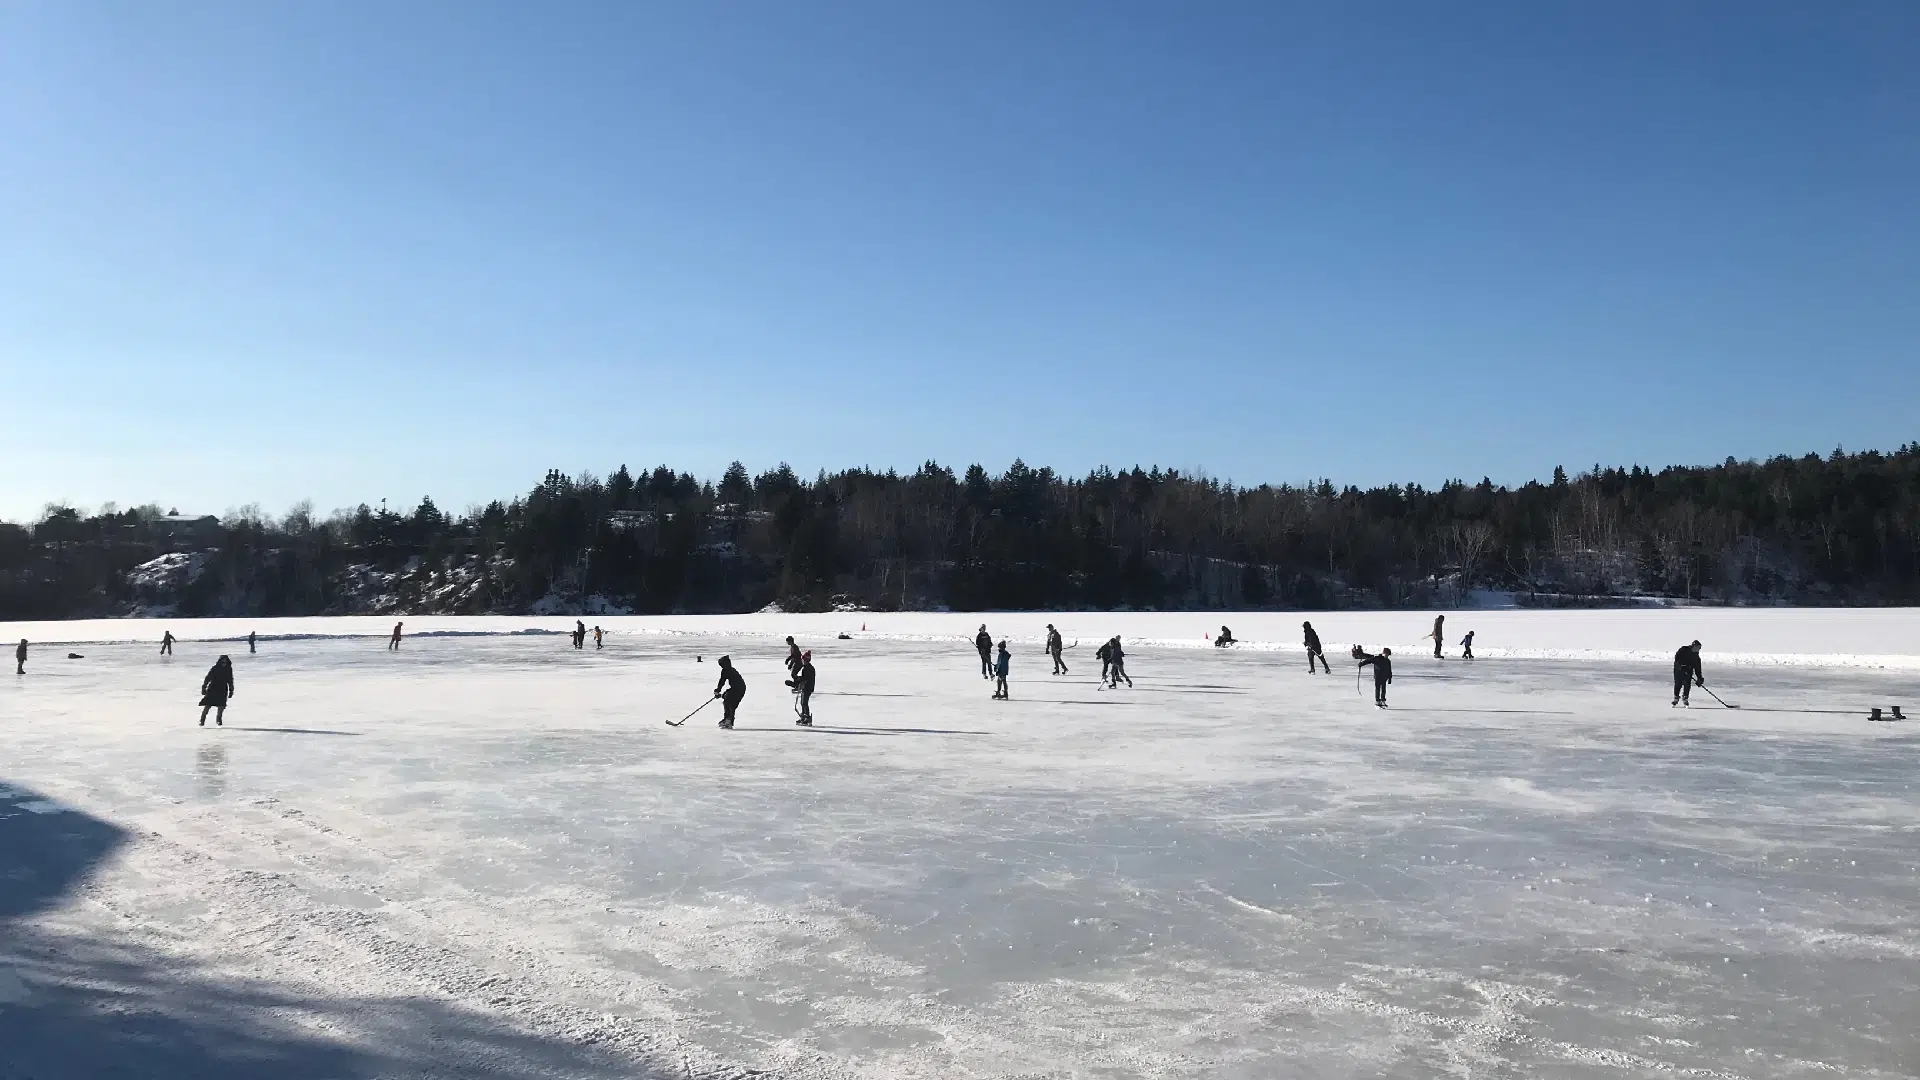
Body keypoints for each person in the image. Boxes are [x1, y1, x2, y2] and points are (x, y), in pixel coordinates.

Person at [199, 655, 236, 726]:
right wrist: (204, 687)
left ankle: (219, 720)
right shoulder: (215, 668)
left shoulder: (229, 669)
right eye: (222, 662)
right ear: (220, 662)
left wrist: (231, 690)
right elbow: (208, 678)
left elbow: (230, 680)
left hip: (223, 689)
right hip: (213, 688)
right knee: (208, 705)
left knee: (221, 706)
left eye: (225, 662)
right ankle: (202, 719)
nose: (224, 664)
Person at [713, 654, 746, 729]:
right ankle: (728, 719)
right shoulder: (731, 670)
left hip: (738, 689)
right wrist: (721, 693)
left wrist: (718, 691)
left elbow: (722, 681)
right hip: (740, 689)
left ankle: (728, 720)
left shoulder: (726, 671)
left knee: (729, 703)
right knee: (729, 702)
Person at [1672, 640, 1704, 707]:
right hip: (1678, 670)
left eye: (1700, 648)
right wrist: (1680, 666)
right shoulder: (1683, 649)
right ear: (1693, 646)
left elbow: (1698, 668)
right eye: (1698, 648)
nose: (1699, 649)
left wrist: (1699, 678)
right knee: (1678, 683)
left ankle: (1685, 697)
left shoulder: (1696, 657)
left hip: (1688, 671)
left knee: (1687, 684)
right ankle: (1676, 697)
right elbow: (1677, 658)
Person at [792, 650, 815, 726]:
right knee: (802, 702)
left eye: (803, 660)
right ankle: (803, 716)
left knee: (804, 703)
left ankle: (807, 717)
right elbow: (803, 678)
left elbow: (805, 678)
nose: (802, 661)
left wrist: (798, 680)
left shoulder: (808, 668)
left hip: (808, 687)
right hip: (805, 687)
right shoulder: (806, 668)